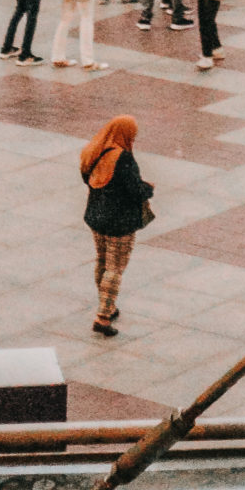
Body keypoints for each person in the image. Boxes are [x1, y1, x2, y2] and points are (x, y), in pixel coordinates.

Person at [80, 115, 154, 337]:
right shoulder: (123, 158)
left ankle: (108, 306)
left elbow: (87, 177)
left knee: (102, 261)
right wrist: (149, 189)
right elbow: (135, 190)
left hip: (96, 215)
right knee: (115, 267)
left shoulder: (94, 150)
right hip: (119, 221)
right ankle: (103, 316)